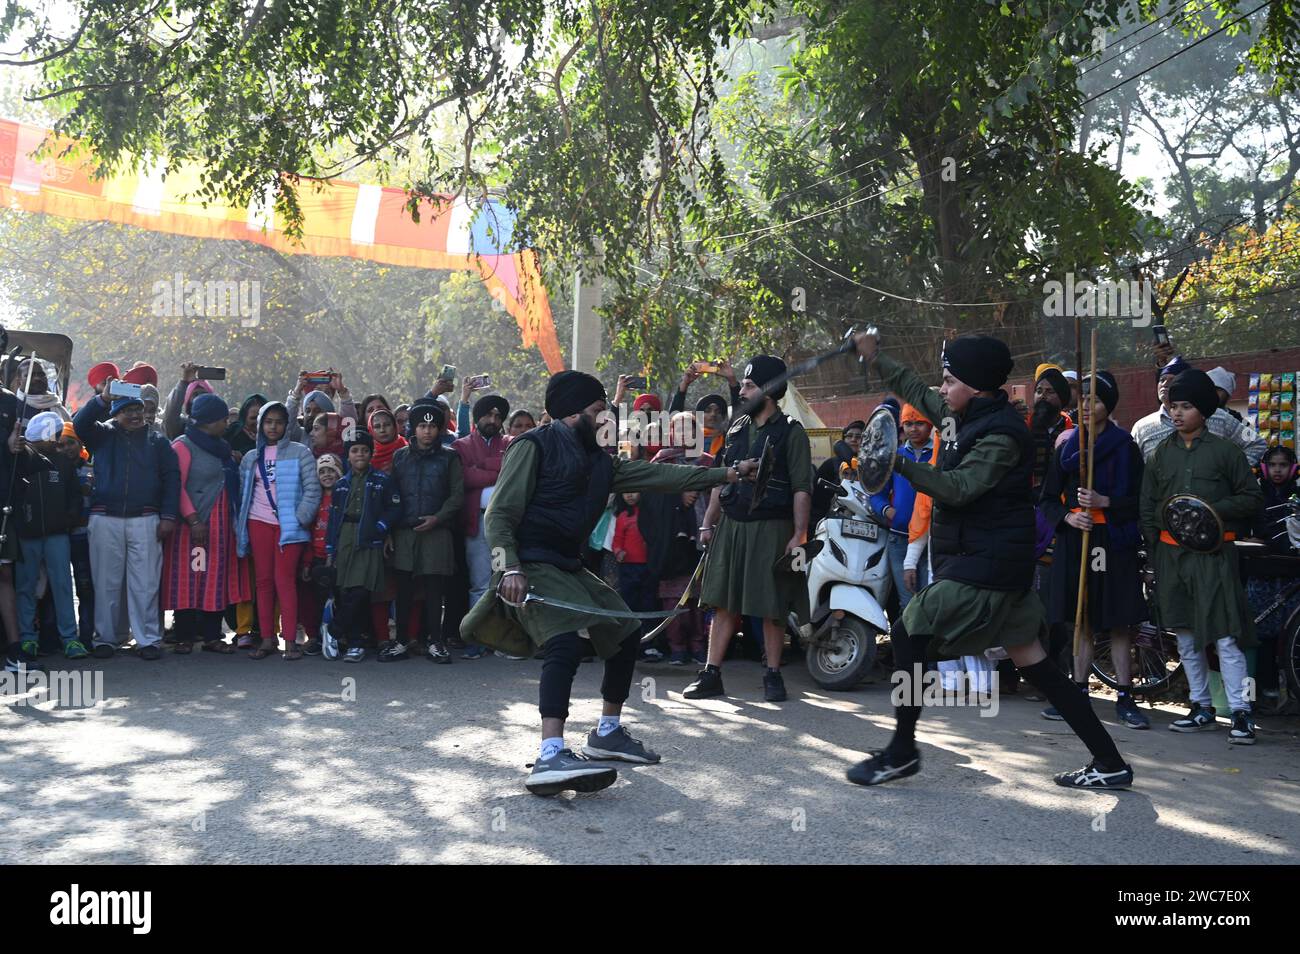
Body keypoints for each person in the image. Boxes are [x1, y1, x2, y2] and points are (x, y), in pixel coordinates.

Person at [844, 331, 1134, 789]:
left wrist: (896, 462)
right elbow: (916, 390)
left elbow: (959, 488)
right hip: (992, 565)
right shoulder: (963, 415)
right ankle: (1110, 761)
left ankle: (901, 750)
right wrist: (875, 356)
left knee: (907, 630)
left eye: (948, 380)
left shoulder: (1002, 434)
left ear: (974, 385)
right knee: (1038, 666)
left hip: (989, 567)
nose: (939, 389)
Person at [460, 369, 754, 795]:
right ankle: (549, 754)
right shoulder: (532, 446)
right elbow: (499, 514)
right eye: (599, 410)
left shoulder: (601, 463)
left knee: (626, 630)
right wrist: (509, 568)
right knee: (562, 640)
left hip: (568, 565)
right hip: (530, 564)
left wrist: (727, 474)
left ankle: (606, 733)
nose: (606, 419)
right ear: (572, 412)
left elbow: (662, 477)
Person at [1142, 369, 1264, 743]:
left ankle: (1242, 712)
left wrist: (1211, 508)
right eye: (1173, 406)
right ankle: (1200, 707)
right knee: (1186, 637)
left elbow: (1251, 499)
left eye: (1186, 406)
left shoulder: (1226, 452)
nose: (1177, 413)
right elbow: (1147, 505)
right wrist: (1154, 552)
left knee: (1226, 637)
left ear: (1205, 410)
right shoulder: (1161, 453)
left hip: (1214, 556)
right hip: (1171, 557)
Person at [684, 355, 812, 704]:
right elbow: (719, 482)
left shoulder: (791, 432)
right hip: (732, 526)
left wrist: (799, 534)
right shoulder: (737, 428)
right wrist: (708, 522)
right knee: (722, 602)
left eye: (750, 385)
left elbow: (802, 487)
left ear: (768, 390)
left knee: (771, 606)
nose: (742, 389)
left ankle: (772, 675)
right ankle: (711, 674)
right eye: (743, 383)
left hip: (772, 527)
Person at [1040, 372, 1150, 729]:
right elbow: (1046, 500)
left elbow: (1140, 501)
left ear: (1109, 405)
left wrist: (1106, 502)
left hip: (1113, 542)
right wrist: (1069, 519)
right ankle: (1079, 692)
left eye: (1096, 400)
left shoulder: (1125, 446)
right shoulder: (1067, 445)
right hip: (1077, 540)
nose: (1088, 406)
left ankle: (1125, 696)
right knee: (1081, 620)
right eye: (1083, 399)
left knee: (1118, 623)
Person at [73, 379, 181, 661]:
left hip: (145, 519)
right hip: (104, 518)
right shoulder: (103, 434)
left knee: (145, 583)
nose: (134, 415)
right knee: (106, 582)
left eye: (137, 409)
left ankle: (147, 640)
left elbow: (172, 479)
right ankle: (107, 639)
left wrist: (168, 516)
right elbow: (79, 424)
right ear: (115, 413)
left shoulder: (158, 441)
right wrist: (102, 399)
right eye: (126, 410)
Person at [163, 393, 250, 655]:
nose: (226, 423)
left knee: (216, 578)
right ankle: (185, 635)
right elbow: (177, 487)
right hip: (194, 525)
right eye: (222, 419)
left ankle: (213, 636)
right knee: (190, 577)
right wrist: (193, 519)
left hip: (220, 524)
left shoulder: (221, 447)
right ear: (209, 421)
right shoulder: (183, 446)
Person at [235, 401, 321, 660]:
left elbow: (312, 490)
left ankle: (291, 642)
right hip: (258, 522)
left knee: (285, 581)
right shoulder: (251, 458)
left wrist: (299, 518)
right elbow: (243, 493)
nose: (273, 427)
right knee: (262, 582)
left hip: (289, 527)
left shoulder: (300, 452)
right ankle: (266, 639)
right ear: (261, 424)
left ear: (287, 425)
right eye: (268, 422)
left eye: (279, 422)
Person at [387, 400, 464, 662]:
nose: (427, 431)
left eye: (432, 426)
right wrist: (388, 530)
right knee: (404, 588)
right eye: (422, 426)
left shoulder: (450, 456)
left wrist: (438, 518)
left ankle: (435, 642)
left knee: (434, 589)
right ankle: (400, 642)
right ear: (413, 428)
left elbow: (457, 496)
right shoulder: (400, 457)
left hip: (437, 530)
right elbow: (391, 495)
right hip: (405, 531)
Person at [326, 431, 401, 663]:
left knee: (362, 591)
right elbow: (333, 518)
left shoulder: (382, 480)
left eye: (365, 450)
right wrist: (330, 550)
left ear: (372, 453)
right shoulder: (340, 485)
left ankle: (333, 631)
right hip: (346, 539)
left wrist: (380, 526)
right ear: (348, 455)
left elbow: (395, 507)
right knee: (348, 592)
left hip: (369, 539)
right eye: (355, 450)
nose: (360, 454)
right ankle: (355, 644)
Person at [14, 412, 84, 659]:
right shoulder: (18, 461)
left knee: (63, 585)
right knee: (26, 587)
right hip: (27, 535)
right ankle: (27, 638)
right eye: (53, 435)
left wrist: (68, 519)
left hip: (57, 535)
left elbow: (75, 496)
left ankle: (70, 639)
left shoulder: (63, 462)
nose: (56, 440)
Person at [453, 392, 511, 659]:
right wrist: (495, 470)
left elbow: (512, 472)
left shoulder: (511, 443)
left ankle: (503, 640)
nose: (493, 419)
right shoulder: (461, 446)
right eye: (488, 414)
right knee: (479, 583)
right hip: (477, 523)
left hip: (505, 526)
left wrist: (484, 465)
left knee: (506, 582)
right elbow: (465, 477)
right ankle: (476, 638)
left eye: (498, 416)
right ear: (477, 418)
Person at [1244, 444, 1300, 709]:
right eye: (1274, 465)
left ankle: (1289, 692)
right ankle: (1263, 691)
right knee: (1260, 635)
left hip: (1291, 575)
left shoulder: (1297, 496)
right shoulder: (1254, 494)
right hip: (1261, 574)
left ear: (1293, 468)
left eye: (1284, 465)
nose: (1278, 470)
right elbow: (1248, 529)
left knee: (1290, 637)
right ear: (1265, 468)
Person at [1132, 356, 1266, 465]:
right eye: (1162, 379)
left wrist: (1232, 474)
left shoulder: (1218, 417)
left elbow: (1257, 444)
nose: (1165, 383)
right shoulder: (1142, 427)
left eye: (1173, 379)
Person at [887, 404, 936, 610]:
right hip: (898, 539)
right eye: (908, 424)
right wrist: (886, 510)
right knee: (907, 603)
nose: (913, 429)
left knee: (929, 602)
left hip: (930, 541)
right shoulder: (894, 456)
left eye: (919, 424)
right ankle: (910, 643)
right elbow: (876, 492)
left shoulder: (939, 455)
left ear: (930, 424)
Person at [299, 453, 342, 655]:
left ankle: (336, 635)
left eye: (331, 471)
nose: (326, 475)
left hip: (338, 558)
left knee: (338, 599)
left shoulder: (343, 496)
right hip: (315, 557)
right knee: (313, 600)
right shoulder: (314, 499)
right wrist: (307, 563)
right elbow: (308, 532)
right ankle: (314, 636)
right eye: (322, 471)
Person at [1028, 364, 1075, 494]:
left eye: (1050, 392)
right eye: (1039, 391)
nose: (1042, 396)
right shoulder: (1023, 427)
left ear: (1062, 398)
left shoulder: (1073, 432)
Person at [811, 421, 862, 527]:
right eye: (849, 436)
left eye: (858, 436)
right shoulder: (831, 464)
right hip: (835, 520)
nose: (853, 439)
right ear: (843, 440)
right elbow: (817, 497)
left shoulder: (871, 466)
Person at [162, 364, 217, 440]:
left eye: (204, 394)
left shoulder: (219, 427)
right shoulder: (183, 427)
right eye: (195, 394)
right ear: (188, 402)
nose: (200, 397)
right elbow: (170, 417)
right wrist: (183, 383)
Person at [9, 357, 70, 425]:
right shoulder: (12, 407)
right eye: (30, 375)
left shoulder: (55, 405)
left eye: (41, 374)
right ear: (19, 382)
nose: (37, 378)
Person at [226, 393, 269, 460]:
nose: (258, 421)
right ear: (244, 418)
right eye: (253, 418)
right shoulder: (233, 432)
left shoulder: (274, 437)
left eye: (262, 417)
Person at [367, 406, 407, 473]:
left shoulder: (407, 449)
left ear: (394, 426)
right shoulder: (367, 454)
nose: (382, 430)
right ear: (371, 429)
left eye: (387, 425)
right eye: (377, 426)